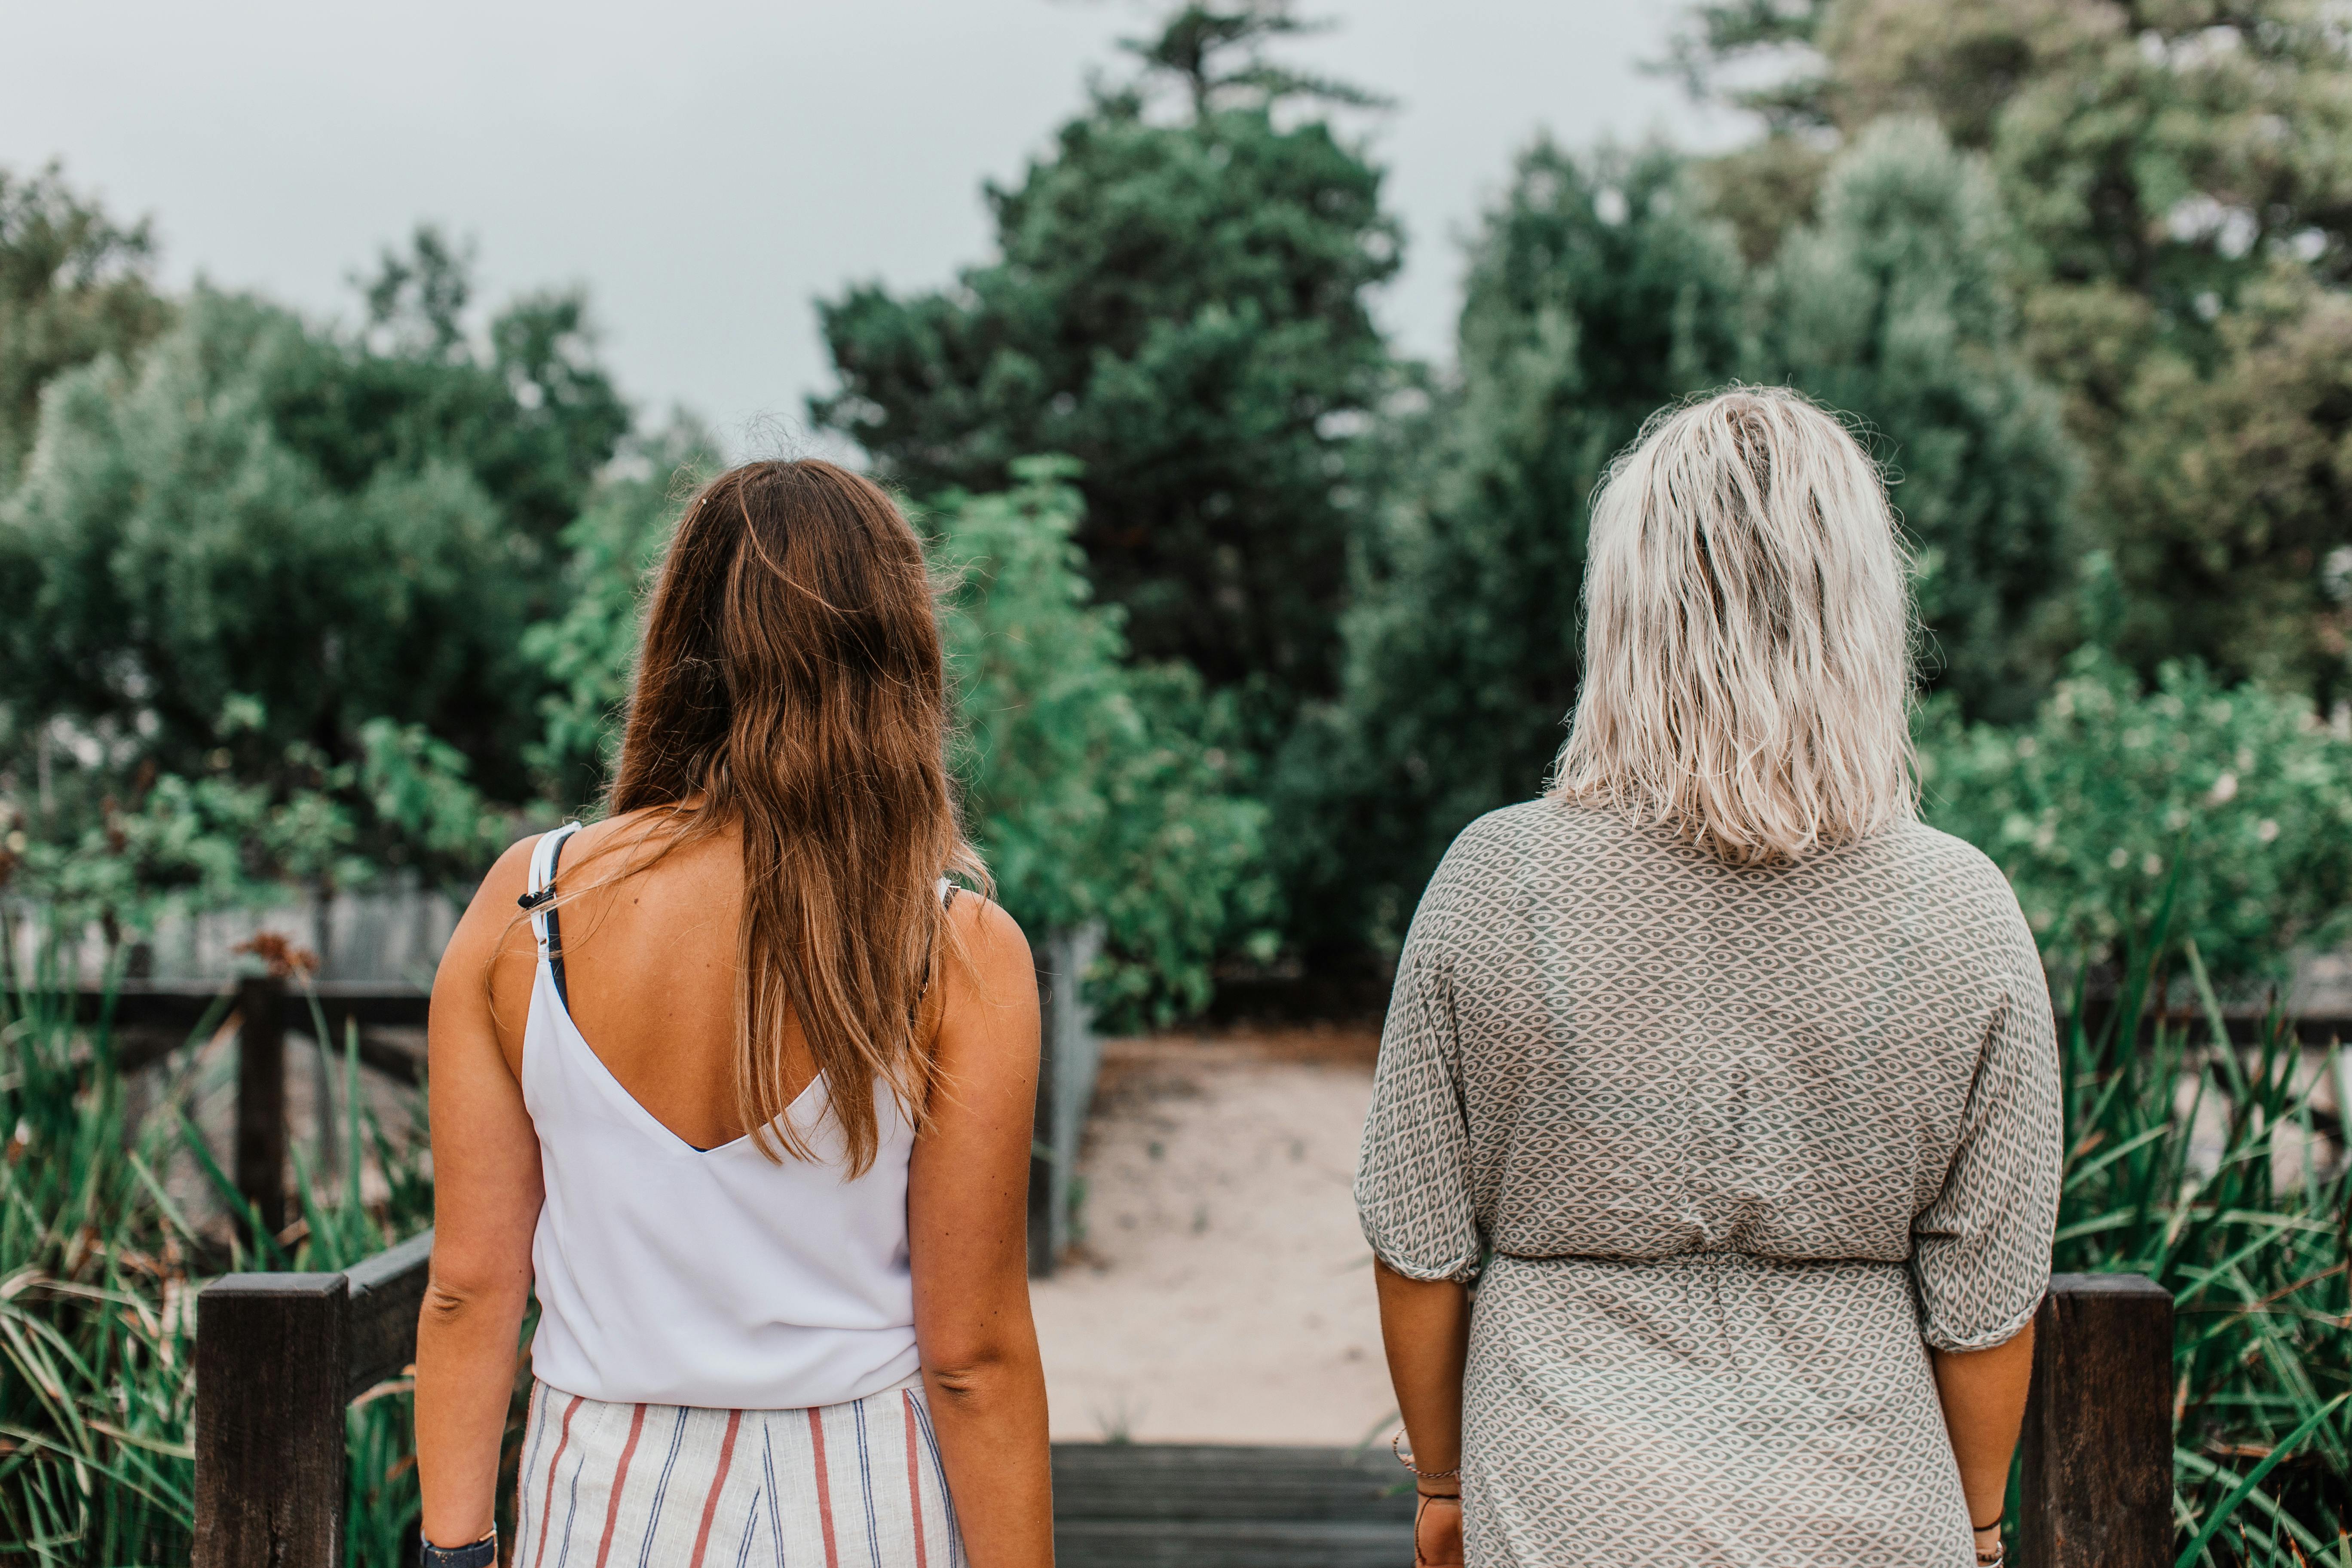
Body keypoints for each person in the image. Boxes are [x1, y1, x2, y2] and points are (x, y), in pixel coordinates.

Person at [1357, 387, 2061, 1568]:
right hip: (1870, 1511)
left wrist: (1442, 1483)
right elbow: (1988, 1297)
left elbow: (1417, 1241)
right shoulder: (1964, 909)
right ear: (1864, 611)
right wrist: (1979, 1525)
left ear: (1627, 607)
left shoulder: (1493, 880)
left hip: (1567, 1504)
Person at [414, 460, 1054, 1568]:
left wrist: (455, 1553)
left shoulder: (528, 907)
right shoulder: (953, 948)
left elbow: (471, 1289)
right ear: (894, 663)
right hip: (864, 1496)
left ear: (679, 644)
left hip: (601, 1490)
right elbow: (971, 1357)